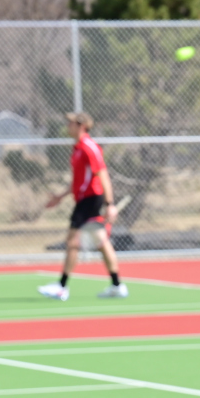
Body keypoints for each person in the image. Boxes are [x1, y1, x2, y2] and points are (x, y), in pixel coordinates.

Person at [39, 112, 127, 301]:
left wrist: (110, 204)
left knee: (72, 241)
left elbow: (102, 174)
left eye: (70, 123)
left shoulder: (89, 148)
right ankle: (117, 285)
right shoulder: (77, 149)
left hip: (91, 199)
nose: (67, 126)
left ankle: (61, 287)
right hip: (84, 199)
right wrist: (60, 197)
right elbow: (78, 181)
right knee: (102, 243)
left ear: (81, 125)